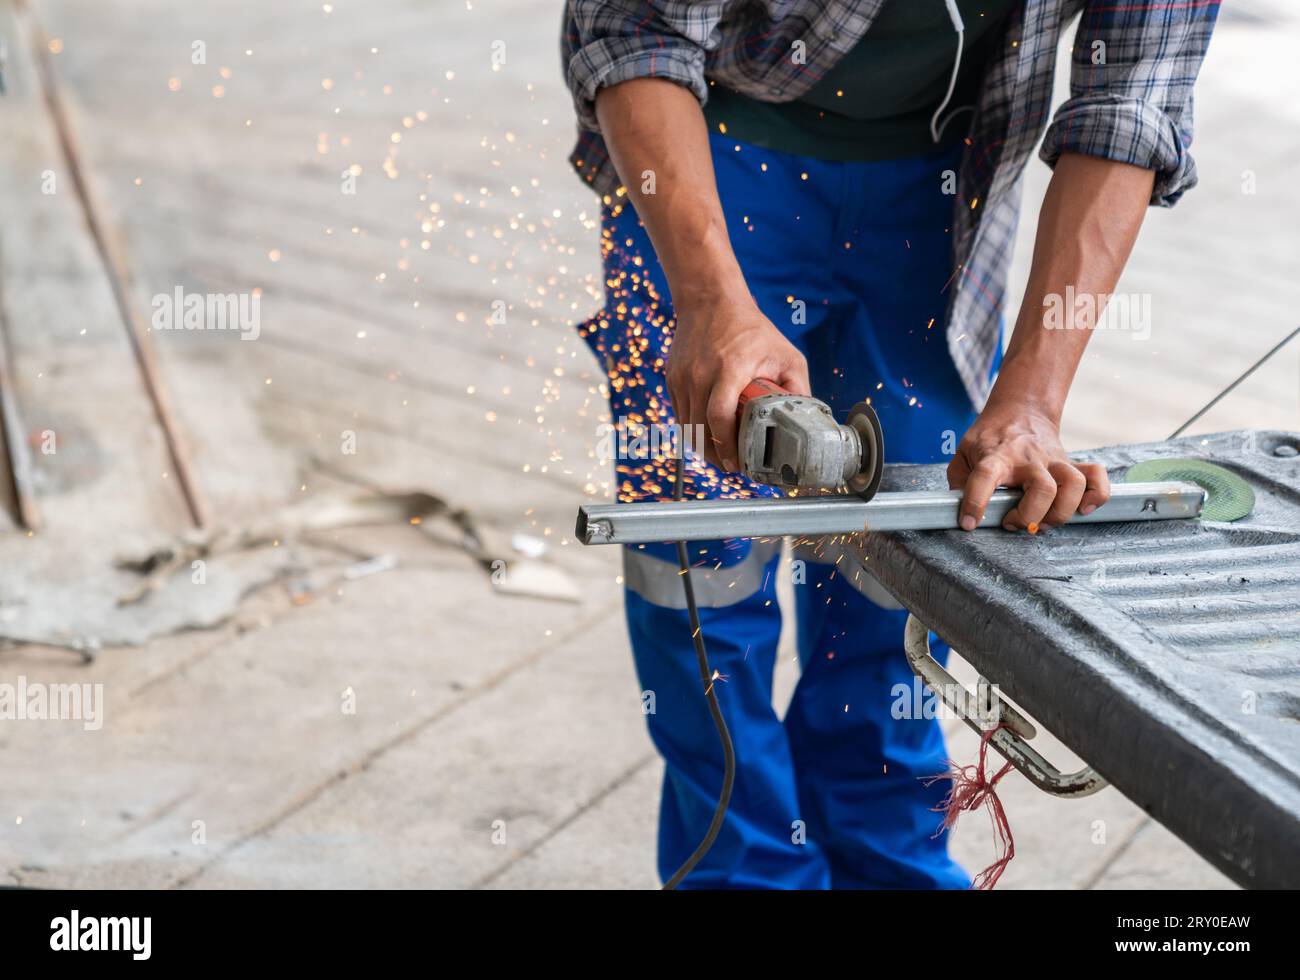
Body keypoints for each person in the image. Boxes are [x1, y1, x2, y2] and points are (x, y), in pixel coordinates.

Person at [562, 0, 1220, 888]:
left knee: (903, 573)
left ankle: (888, 862)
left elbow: (1130, 106)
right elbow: (636, 30)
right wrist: (710, 300)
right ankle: (742, 872)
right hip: (712, 148)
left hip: (942, 184)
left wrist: (1031, 399)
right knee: (701, 570)